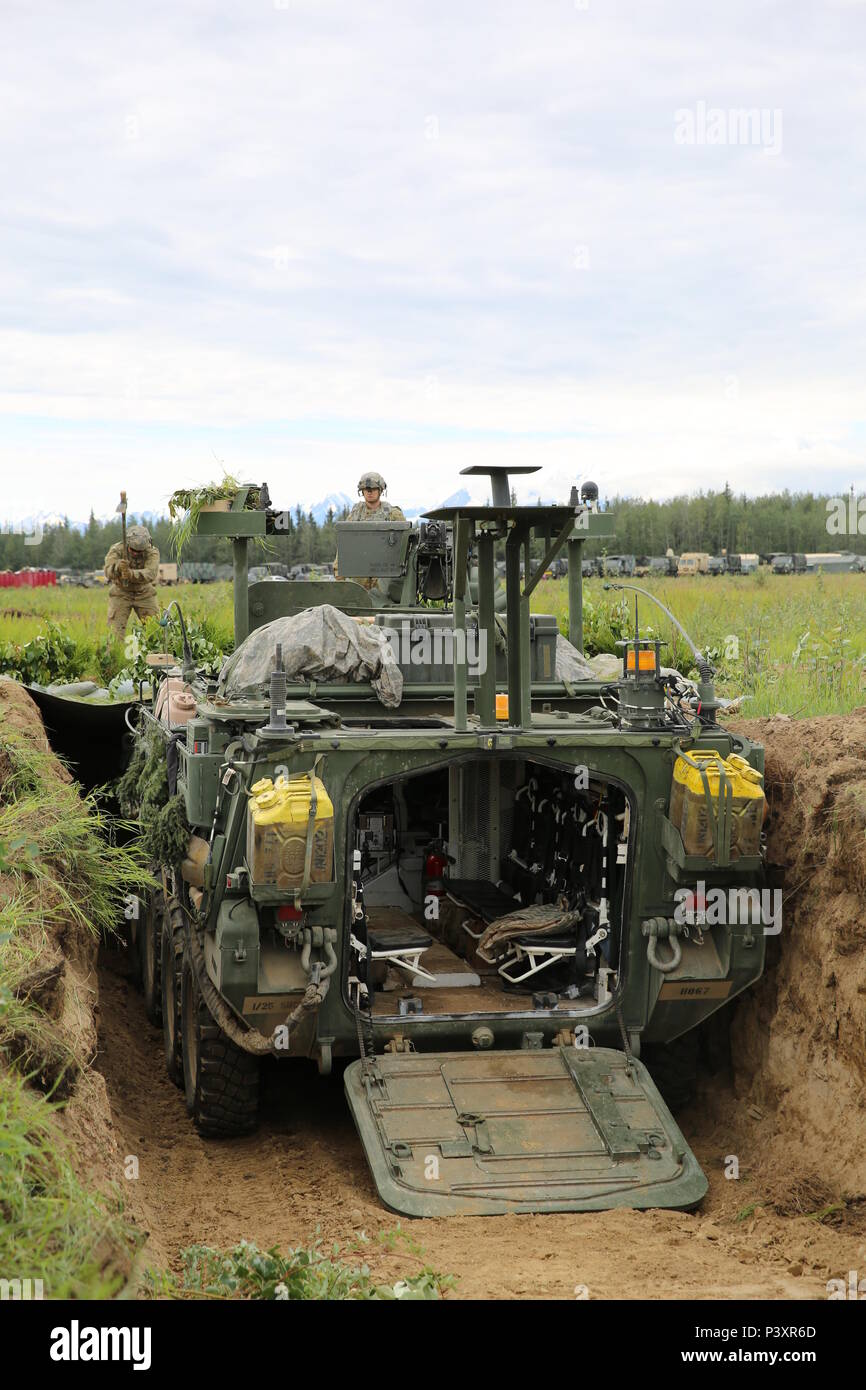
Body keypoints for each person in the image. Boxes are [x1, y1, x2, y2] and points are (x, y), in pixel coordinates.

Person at [335, 473, 406, 586]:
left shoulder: (393, 514)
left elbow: (405, 545)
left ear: (380, 490)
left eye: (373, 488)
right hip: (359, 574)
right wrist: (338, 571)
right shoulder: (355, 515)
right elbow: (344, 544)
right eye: (365, 489)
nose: (369, 492)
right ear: (361, 491)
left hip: (385, 575)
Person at [104, 524, 160, 639]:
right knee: (114, 634)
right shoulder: (117, 550)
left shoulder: (152, 552)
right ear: (127, 544)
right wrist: (118, 568)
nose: (135, 553)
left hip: (144, 593)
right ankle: (115, 655)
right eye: (133, 550)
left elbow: (151, 573)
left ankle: (155, 655)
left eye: (139, 552)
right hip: (121, 593)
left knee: (156, 631)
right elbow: (108, 572)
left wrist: (131, 574)